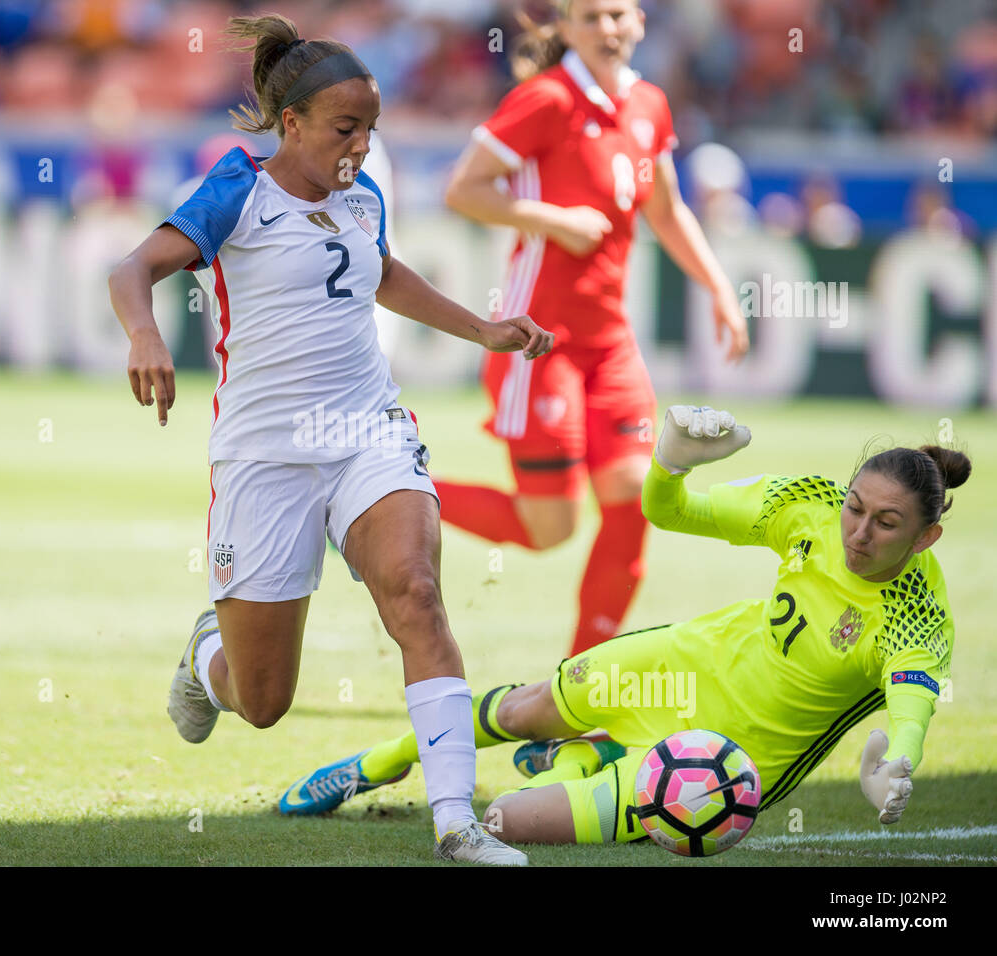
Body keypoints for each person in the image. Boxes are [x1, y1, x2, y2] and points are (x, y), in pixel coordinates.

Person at [107, 14, 555, 865]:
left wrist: (484, 331)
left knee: (415, 593)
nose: (360, 145)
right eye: (347, 128)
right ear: (292, 124)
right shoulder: (237, 190)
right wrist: (144, 334)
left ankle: (457, 821)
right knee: (263, 700)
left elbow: (381, 272)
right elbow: (131, 268)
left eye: (371, 129)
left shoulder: (361, 196)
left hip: (366, 430)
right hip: (264, 455)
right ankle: (209, 651)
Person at [281, 405, 963, 849]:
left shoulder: (916, 617)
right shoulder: (809, 504)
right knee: (524, 710)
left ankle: (586, 757)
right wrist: (670, 464)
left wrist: (899, 760)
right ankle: (377, 764)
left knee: (504, 822)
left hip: (719, 764)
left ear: (926, 537)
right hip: (684, 665)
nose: (858, 532)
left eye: (887, 524)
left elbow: (912, 705)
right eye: (855, 509)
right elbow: (670, 513)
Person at [435, 0, 750, 656]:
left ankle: (577, 687)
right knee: (549, 528)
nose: (607, 29)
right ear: (567, 29)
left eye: (617, 15)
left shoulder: (650, 106)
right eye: (590, 17)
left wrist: (720, 288)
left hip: (611, 346)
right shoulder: (545, 100)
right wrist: (554, 219)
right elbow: (463, 189)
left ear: (639, 21)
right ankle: (374, 496)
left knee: (636, 504)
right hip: (537, 343)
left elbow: (666, 209)